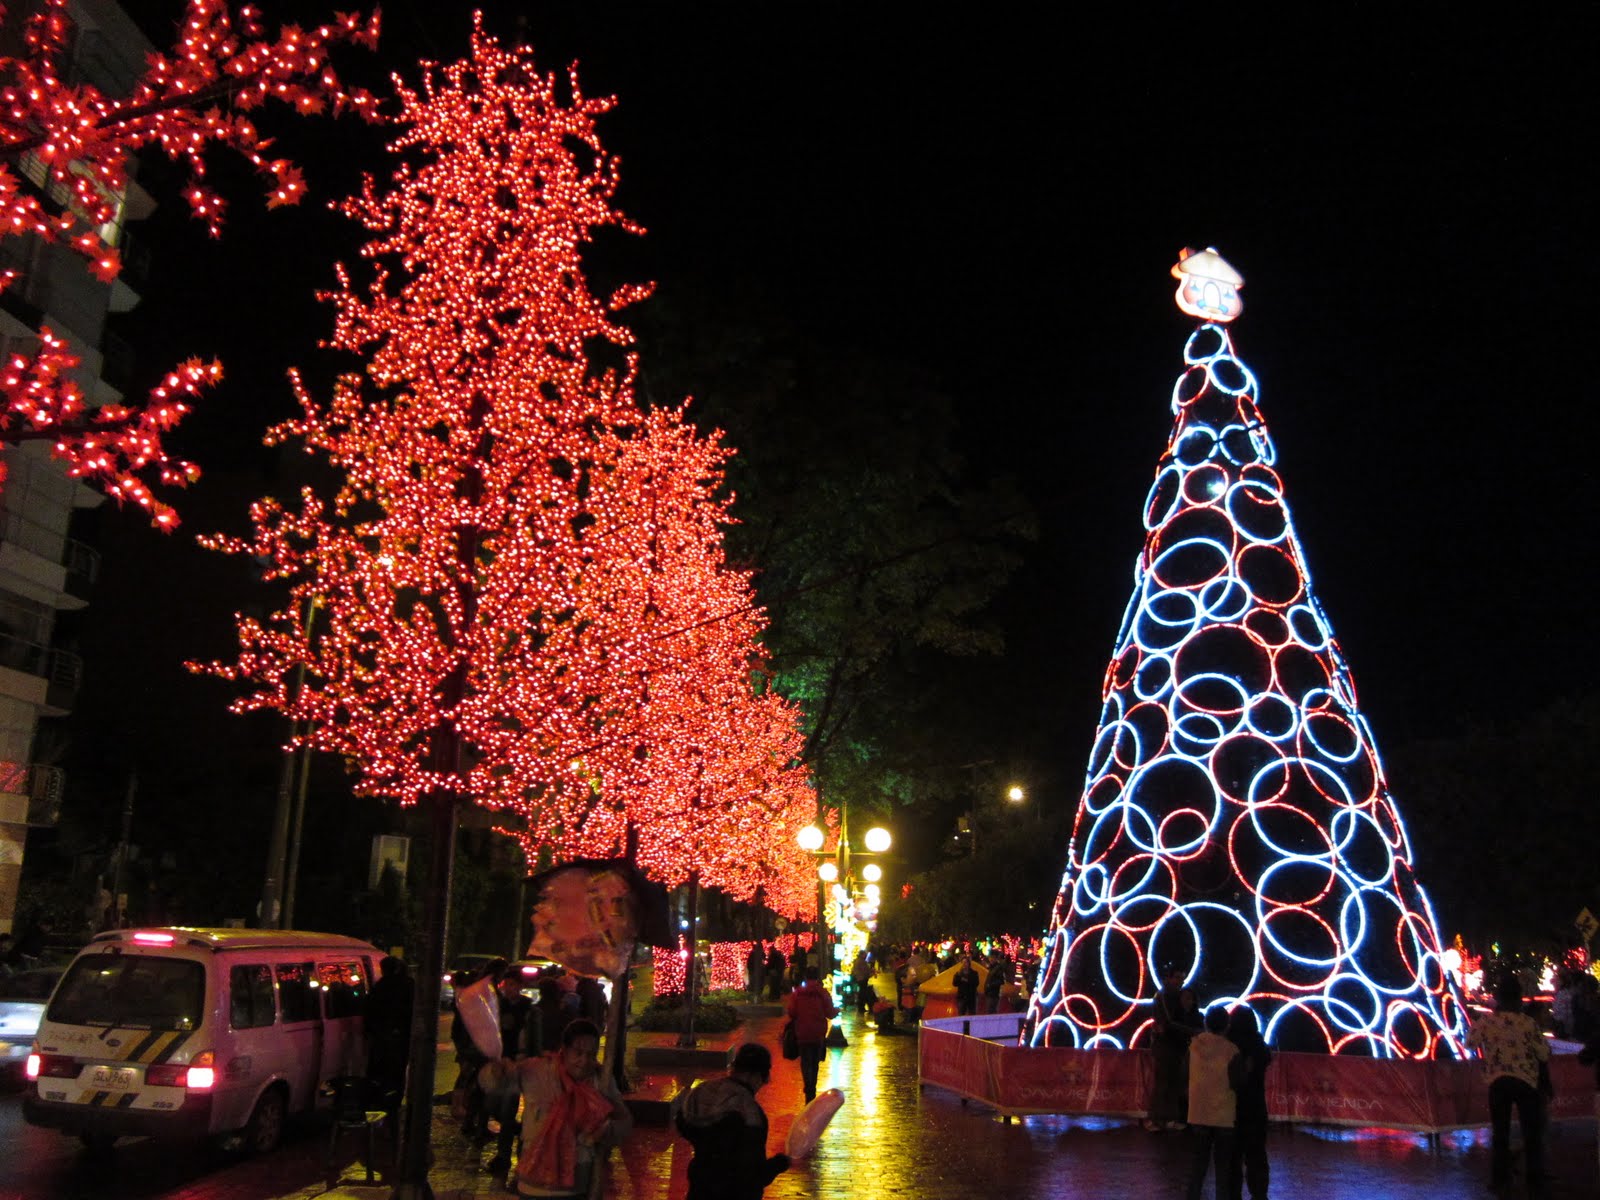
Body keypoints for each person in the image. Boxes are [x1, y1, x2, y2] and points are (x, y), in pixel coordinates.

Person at [480, 1018, 632, 1197]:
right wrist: (495, 1072)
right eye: (578, 1053)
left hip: (577, 1185)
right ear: (565, 1050)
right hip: (533, 1186)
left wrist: (606, 1131)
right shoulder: (537, 1071)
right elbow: (494, 1085)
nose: (584, 1061)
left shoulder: (601, 1082)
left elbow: (625, 1122)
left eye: (591, 1054)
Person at [1467, 975, 1550, 1196]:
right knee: (1531, 1132)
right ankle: (1535, 1179)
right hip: (1526, 1080)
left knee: (1500, 1132)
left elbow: (1469, 1042)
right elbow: (1543, 1052)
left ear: (1498, 997)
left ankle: (1499, 1179)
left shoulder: (1486, 1022)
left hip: (1498, 1081)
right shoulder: (1528, 1023)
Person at [674, 1042, 790, 1200]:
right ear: (756, 1076)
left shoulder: (702, 1092)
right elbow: (753, 1175)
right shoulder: (750, 1113)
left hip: (700, 1188)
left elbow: (682, 1121)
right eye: (763, 1080)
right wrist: (780, 1162)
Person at [485, 961, 536, 1175]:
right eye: (509, 984)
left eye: (515, 985)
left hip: (522, 1063)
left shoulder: (528, 1008)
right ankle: (506, 1150)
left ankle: (512, 1155)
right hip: (504, 1062)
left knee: (513, 1110)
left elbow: (531, 1037)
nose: (511, 988)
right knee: (500, 1109)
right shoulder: (499, 1006)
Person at [1186, 1005, 1239, 1200]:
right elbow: (1237, 1081)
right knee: (1223, 1168)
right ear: (1227, 1025)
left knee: (1197, 1166)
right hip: (1224, 1114)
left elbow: (1184, 1073)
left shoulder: (1194, 1046)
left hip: (1198, 1112)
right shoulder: (1231, 1050)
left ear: (1206, 1023)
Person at [1226, 1007, 1272, 1200]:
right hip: (1255, 1107)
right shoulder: (1259, 1045)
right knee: (1256, 1154)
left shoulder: (1228, 1045)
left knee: (1232, 1156)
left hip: (1231, 1108)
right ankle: (1259, 1193)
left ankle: (1233, 1194)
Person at [1147, 968, 1200, 1131]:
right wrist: (1192, 1031)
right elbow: (1167, 1022)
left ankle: (1169, 1117)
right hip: (1166, 1045)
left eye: (1182, 978)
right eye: (1177, 977)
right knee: (1163, 1082)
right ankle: (1156, 1119)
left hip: (1176, 1044)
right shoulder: (1162, 996)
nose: (1181, 981)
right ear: (1167, 979)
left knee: (1174, 1083)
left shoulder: (1176, 996)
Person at [364, 955, 414, 1121]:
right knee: (397, 1072)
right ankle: (393, 1104)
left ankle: (377, 1103)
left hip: (381, 1037)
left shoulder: (380, 987)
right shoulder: (408, 985)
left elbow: (369, 1012)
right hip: (400, 1037)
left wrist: (372, 1031)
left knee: (378, 1071)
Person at [784, 967, 837, 1103]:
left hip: (802, 1031)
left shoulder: (798, 993)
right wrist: (837, 1010)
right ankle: (812, 1086)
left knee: (805, 1061)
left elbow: (792, 1012)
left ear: (805, 977)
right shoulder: (823, 993)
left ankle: (808, 1087)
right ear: (817, 977)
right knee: (814, 1062)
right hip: (818, 1033)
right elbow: (830, 1013)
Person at [981, 950, 1010, 1014]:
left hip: (994, 993)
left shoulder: (998, 968)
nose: (991, 959)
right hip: (990, 993)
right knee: (990, 1011)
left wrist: (990, 985)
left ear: (996, 958)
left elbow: (1001, 981)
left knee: (991, 1011)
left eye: (993, 957)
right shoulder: (992, 968)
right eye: (990, 957)